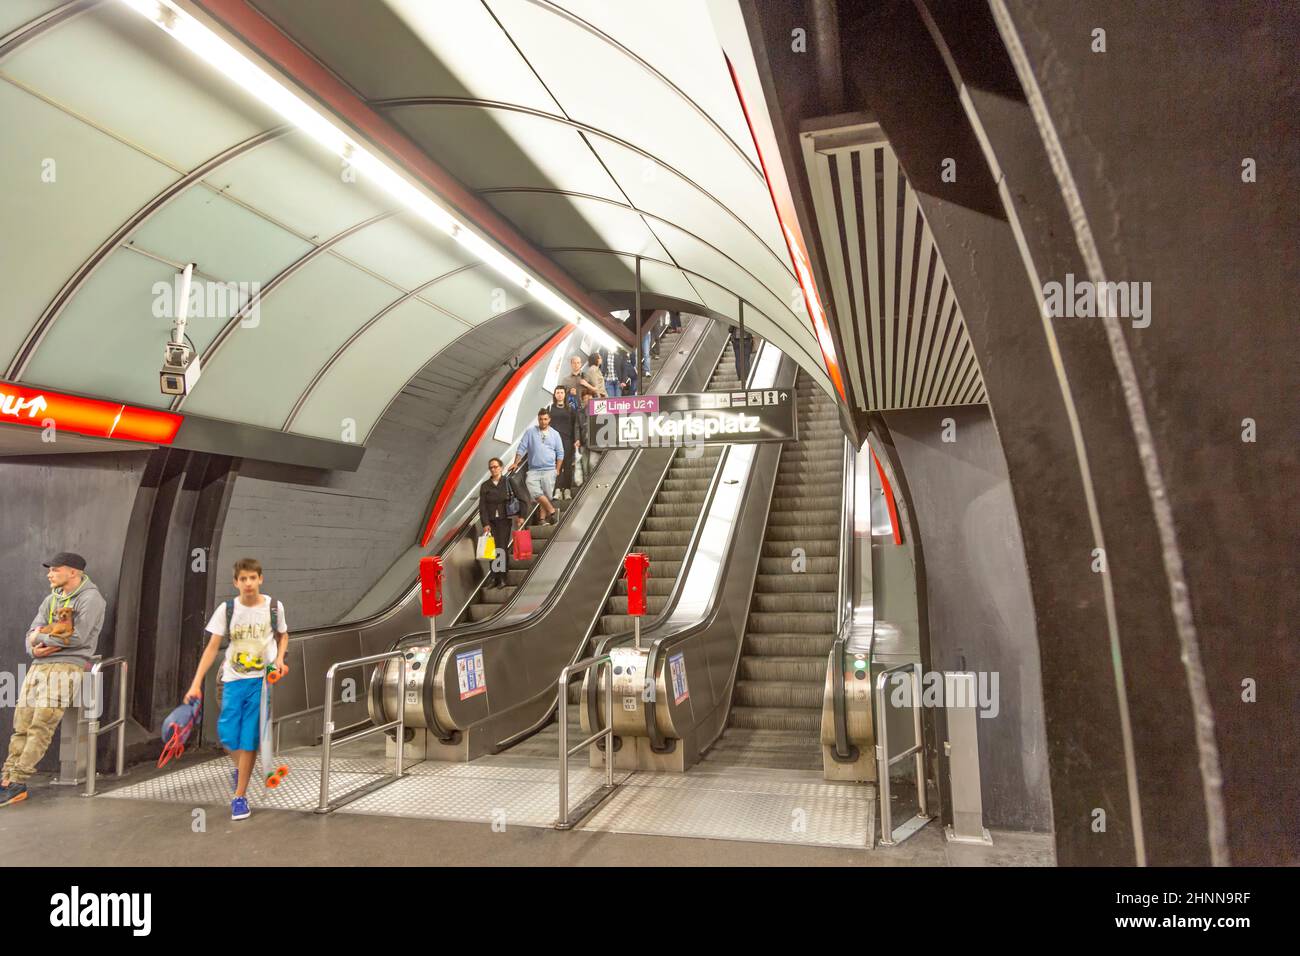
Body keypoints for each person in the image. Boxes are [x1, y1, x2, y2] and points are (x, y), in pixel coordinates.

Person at [183, 558, 289, 821]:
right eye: (243, 579)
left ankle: (239, 796)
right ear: (236, 582)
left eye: (253, 578)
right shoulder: (227, 609)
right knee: (228, 735)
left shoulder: (274, 607)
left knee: (248, 737)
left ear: (260, 579)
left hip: (260, 682)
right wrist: (196, 683)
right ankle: (242, 767)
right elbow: (211, 648)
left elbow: (283, 635)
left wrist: (279, 659)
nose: (249, 583)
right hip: (232, 679)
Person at [0, 553, 106, 808]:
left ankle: (18, 781)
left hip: (67, 667)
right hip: (38, 666)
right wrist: (33, 647)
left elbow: (78, 638)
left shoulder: (91, 599)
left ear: (73, 572)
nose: (49, 574)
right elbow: (31, 633)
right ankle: (7, 778)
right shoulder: (51, 599)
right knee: (22, 724)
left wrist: (41, 639)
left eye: (55, 570)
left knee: (41, 725)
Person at [512, 408, 565, 525]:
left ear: (549, 419)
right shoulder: (530, 432)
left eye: (545, 419)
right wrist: (516, 463)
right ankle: (552, 511)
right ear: (538, 419)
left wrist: (557, 469)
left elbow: (560, 453)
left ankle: (541, 519)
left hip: (549, 470)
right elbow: (521, 448)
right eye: (541, 419)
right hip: (533, 470)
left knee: (546, 495)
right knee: (534, 491)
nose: (543, 421)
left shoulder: (555, 434)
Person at [478, 458, 516, 588]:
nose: (493, 469)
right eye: (491, 468)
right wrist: (485, 524)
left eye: (495, 467)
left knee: (501, 548)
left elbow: (520, 496)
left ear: (501, 467)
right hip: (491, 522)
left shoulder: (507, 481)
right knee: (492, 550)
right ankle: (494, 577)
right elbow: (482, 506)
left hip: (504, 520)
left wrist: (521, 516)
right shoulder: (485, 486)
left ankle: (502, 578)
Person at [547, 385, 582, 498]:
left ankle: (567, 489)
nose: (559, 394)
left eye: (561, 392)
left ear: (565, 395)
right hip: (553, 442)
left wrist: (576, 440)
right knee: (556, 466)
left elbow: (574, 425)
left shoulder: (570, 409)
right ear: (555, 395)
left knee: (567, 466)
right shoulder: (550, 409)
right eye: (557, 392)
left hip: (567, 440)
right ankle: (557, 489)